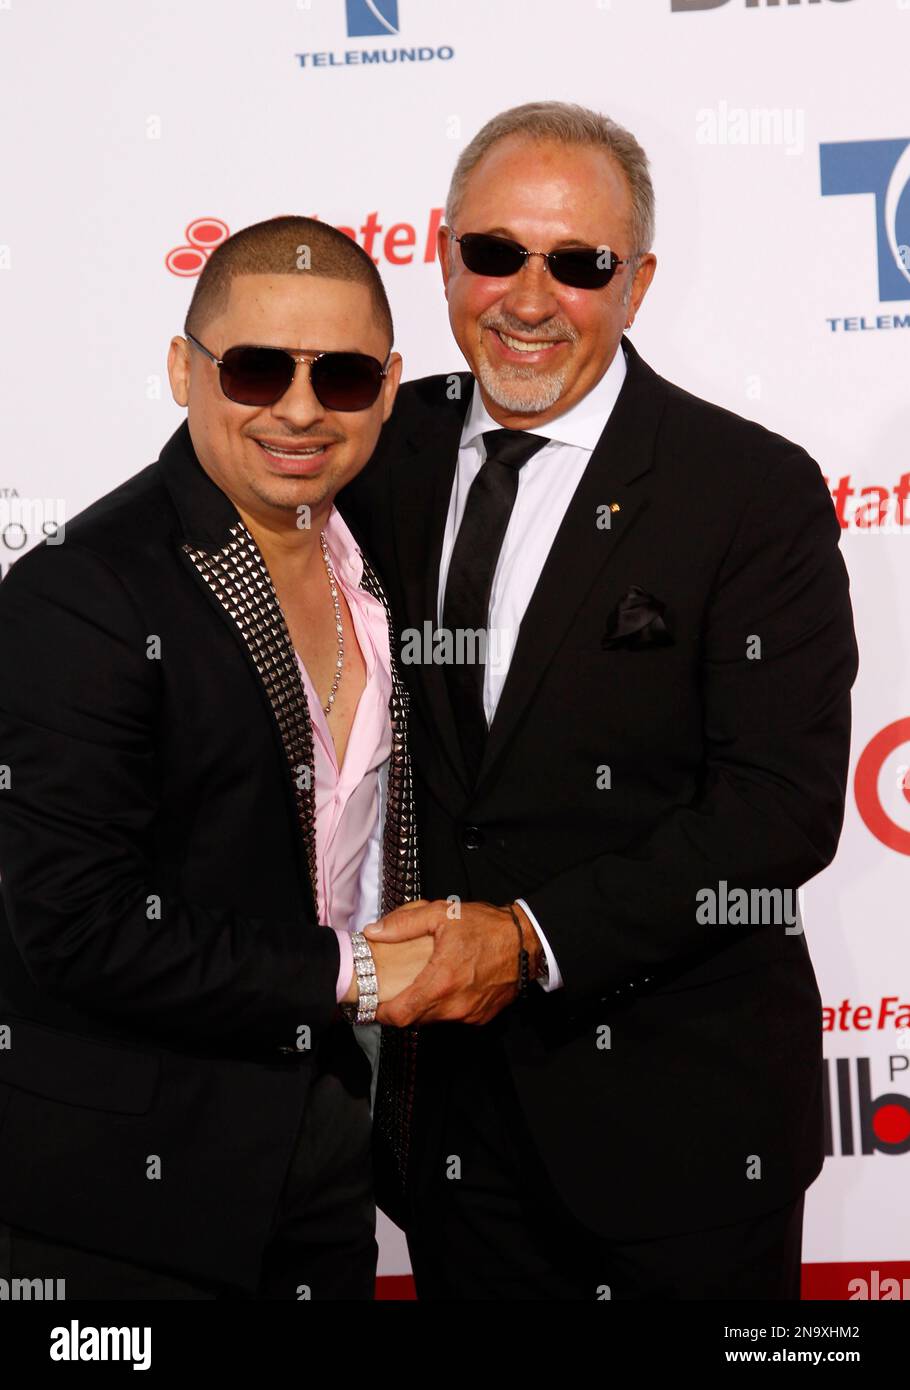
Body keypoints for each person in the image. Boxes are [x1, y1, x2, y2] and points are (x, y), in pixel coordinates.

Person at [337, 102, 860, 1300]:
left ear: (636, 283)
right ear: (441, 250)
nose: (528, 299)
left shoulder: (747, 491)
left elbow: (776, 816)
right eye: (494, 253)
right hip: (447, 1130)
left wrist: (524, 941)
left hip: (680, 1133)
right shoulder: (376, 449)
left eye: (578, 264)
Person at [0, 215, 431, 1299]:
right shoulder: (82, 592)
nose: (296, 407)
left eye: (336, 375)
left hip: (321, 1160)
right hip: (114, 1203)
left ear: (385, 387)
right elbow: (79, 925)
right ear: (184, 370)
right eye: (254, 368)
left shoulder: (380, 562)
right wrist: (362, 973)